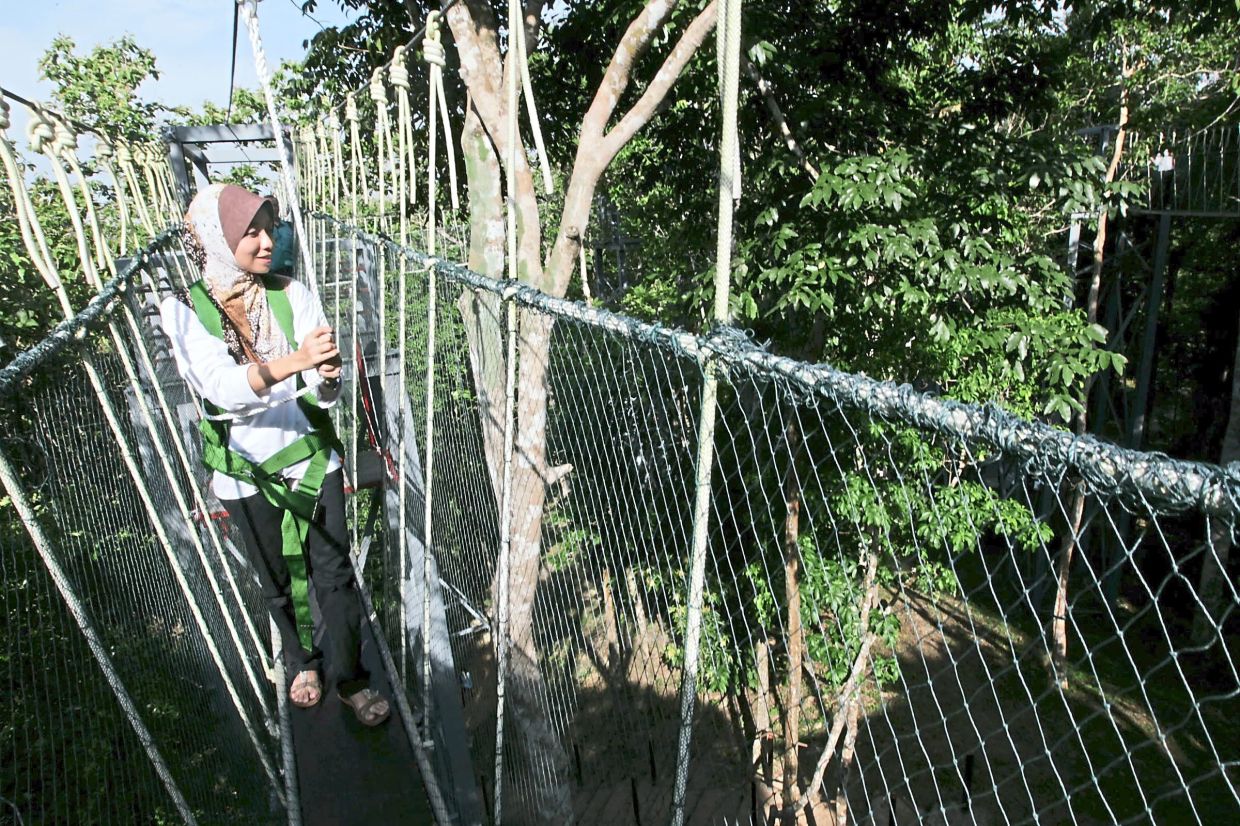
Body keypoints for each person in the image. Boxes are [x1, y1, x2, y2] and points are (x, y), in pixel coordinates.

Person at [159, 183, 389, 726]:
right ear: (217, 240)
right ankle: (303, 662)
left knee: (334, 576)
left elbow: (321, 392)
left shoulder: (293, 294)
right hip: (244, 472)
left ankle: (352, 679)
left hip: (311, 456)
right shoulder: (184, 311)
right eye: (251, 232)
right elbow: (221, 387)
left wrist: (329, 377)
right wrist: (298, 362)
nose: (266, 242)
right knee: (279, 585)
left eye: (270, 228)